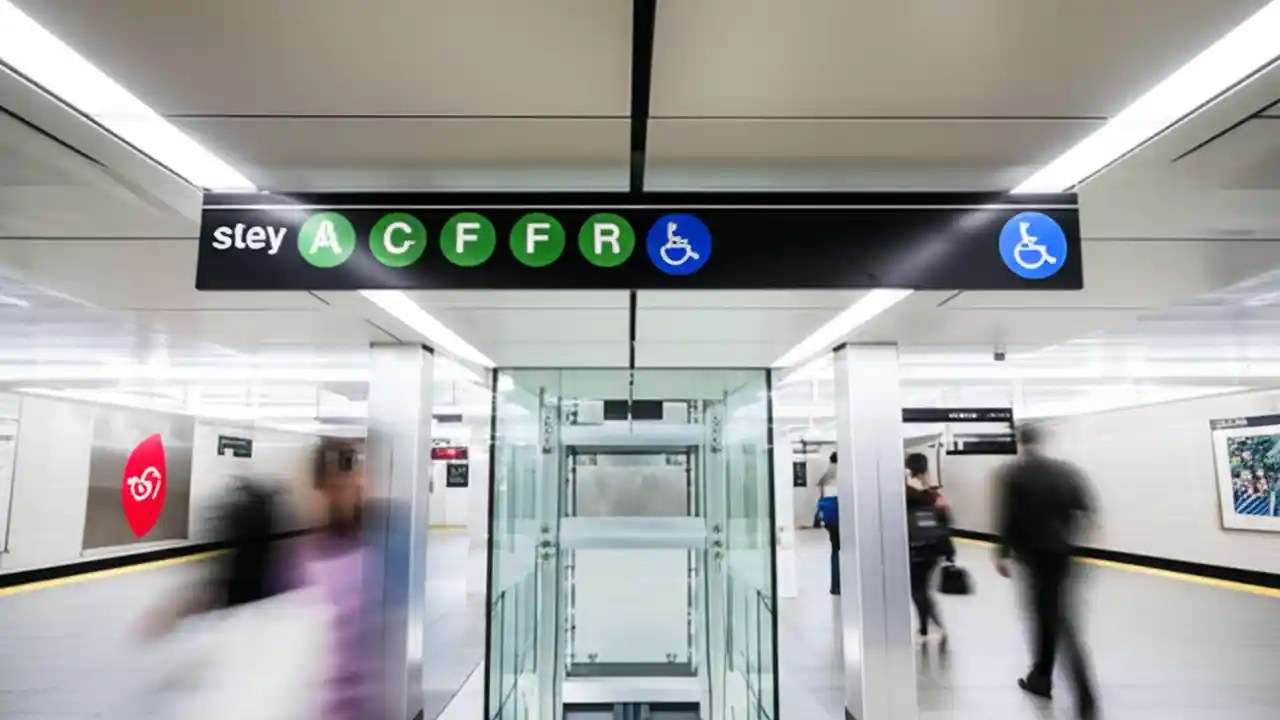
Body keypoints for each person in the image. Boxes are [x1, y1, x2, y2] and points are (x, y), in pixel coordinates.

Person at [994, 424, 1098, 720]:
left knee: (1055, 621)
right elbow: (1086, 510)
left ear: (1020, 442)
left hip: (1034, 557)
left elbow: (1008, 517)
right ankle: (1040, 679)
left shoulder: (1014, 474)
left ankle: (1085, 695)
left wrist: (1002, 552)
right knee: (1048, 618)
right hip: (1062, 554)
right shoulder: (1065, 471)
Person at [904, 453, 954, 645]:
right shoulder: (935, 495)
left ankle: (928, 629)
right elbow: (946, 522)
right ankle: (932, 627)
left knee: (918, 590)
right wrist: (950, 551)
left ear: (908, 470)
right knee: (923, 588)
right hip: (934, 549)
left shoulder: (905, 494)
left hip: (915, 548)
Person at [815, 451, 840, 594]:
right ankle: (840, 584)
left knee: (835, 550)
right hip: (839, 516)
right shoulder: (842, 472)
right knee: (843, 551)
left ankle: (835, 585)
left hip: (829, 519)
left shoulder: (826, 475)